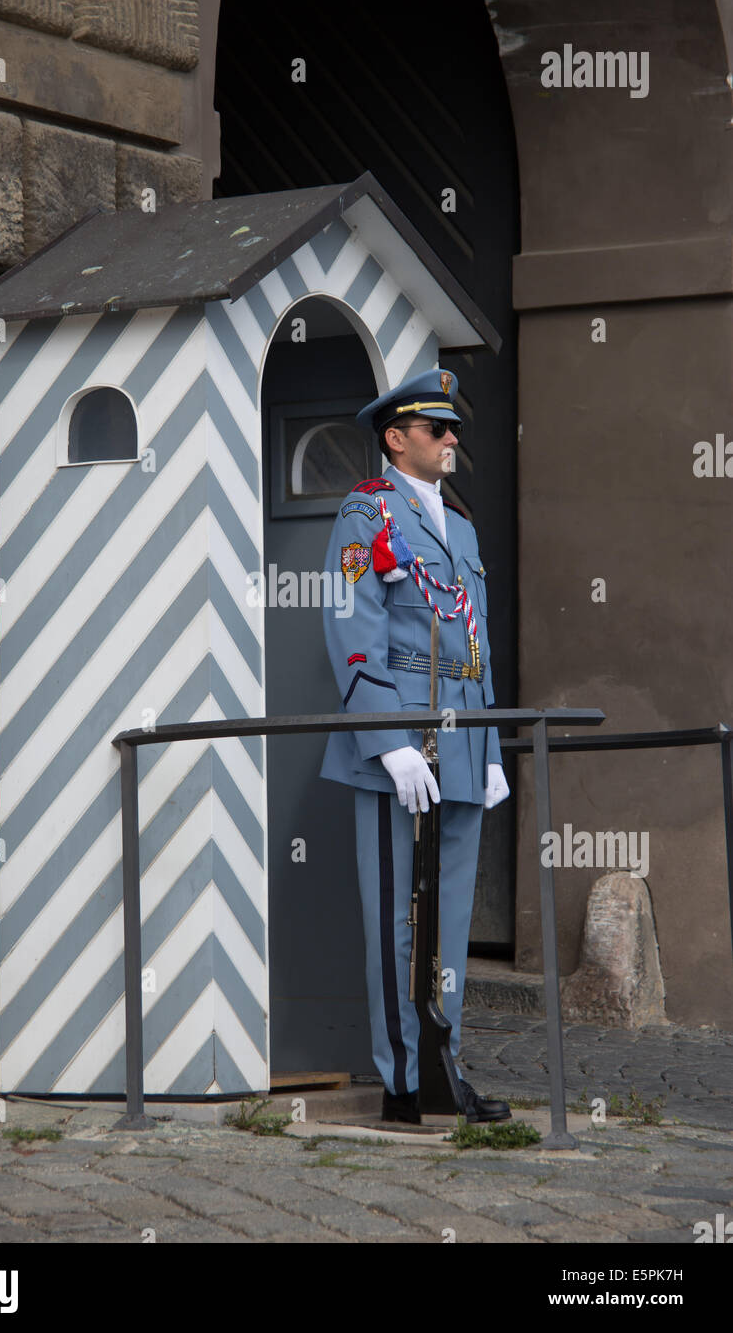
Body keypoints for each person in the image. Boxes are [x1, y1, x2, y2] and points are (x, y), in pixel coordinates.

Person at [320, 367, 512, 1124]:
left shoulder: (459, 527)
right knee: (396, 919)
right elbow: (349, 625)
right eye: (438, 429)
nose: (452, 438)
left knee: (450, 918)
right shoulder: (364, 514)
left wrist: (492, 747)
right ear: (397, 439)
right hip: (399, 747)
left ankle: (444, 1068)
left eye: (452, 427)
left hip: (462, 744)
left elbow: (478, 646)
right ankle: (402, 1081)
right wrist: (387, 741)